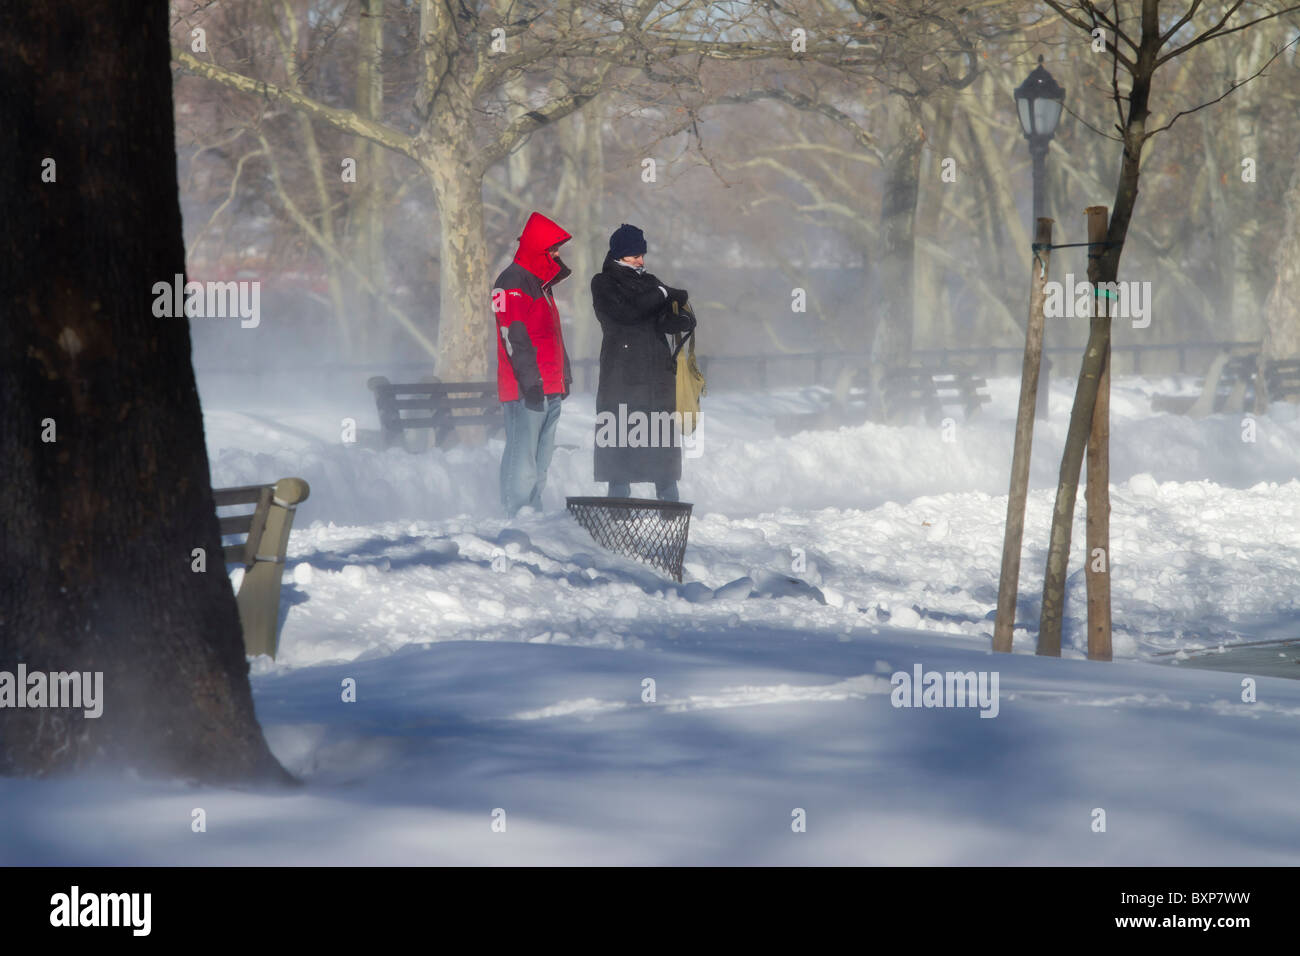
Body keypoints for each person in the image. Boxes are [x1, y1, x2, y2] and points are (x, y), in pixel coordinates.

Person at [591, 223, 695, 501]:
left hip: (656, 378)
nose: (641, 260)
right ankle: (618, 505)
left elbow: (657, 319)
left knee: (662, 442)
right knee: (620, 440)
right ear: (618, 254)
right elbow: (627, 313)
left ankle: (669, 504)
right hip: (621, 379)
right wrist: (663, 293)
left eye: (642, 254)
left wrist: (680, 320)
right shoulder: (603, 283)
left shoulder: (649, 281)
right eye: (634, 255)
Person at [493, 211, 574, 516]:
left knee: (541, 461)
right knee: (523, 460)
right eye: (552, 250)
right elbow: (513, 336)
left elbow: (551, 335)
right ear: (537, 248)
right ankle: (516, 516)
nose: (556, 255)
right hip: (526, 388)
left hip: (549, 385)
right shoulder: (512, 281)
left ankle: (532, 515)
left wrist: (563, 377)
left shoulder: (542, 285)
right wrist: (531, 382)